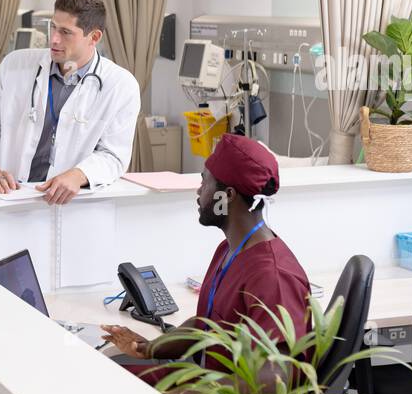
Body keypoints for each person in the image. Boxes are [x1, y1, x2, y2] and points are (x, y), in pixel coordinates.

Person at [100, 133, 311, 368]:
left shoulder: (272, 278)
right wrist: (148, 348)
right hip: (201, 380)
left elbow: (276, 377)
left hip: (222, 391)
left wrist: (183, 390)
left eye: (204, 182)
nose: (199, 192)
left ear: (227, 196)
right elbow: (206, 325)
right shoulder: (228, 250)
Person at [0, 0, 141, 205]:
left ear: (94, 37)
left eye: (66, 32)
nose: (54, 39)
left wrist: (79, 174)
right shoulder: (15, 65)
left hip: (72, 205)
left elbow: (113, 155)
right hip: (9, 197)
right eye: (53, 27)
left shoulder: (121, 85)